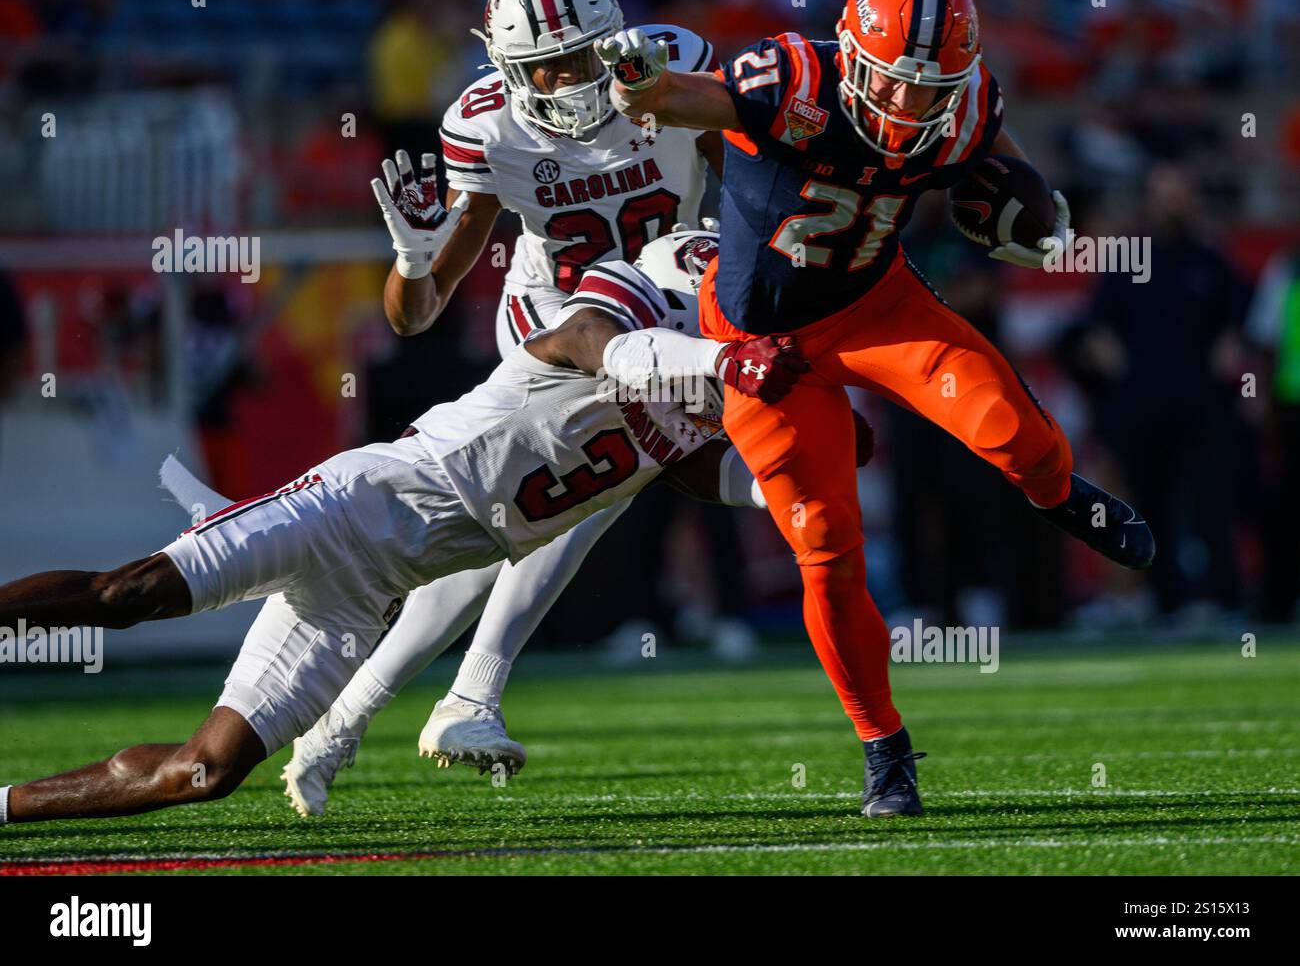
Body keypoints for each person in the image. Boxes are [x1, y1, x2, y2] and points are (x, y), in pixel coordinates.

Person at [595, 0, 1155, 817]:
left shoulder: (961, 106)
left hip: (874, 304)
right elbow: (676, 98)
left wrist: (1030, 215)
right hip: (759, 337)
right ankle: (884, 748)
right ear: (854, 55)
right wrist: (637, 78)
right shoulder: (793, 79)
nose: (907, 105)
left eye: (930, 90)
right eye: (891, 83)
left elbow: (1004, 167)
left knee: (1014, 430)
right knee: (825, 546)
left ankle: (1058, 496)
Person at [0, 233, 804, 826]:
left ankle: (6, 806)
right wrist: (716, 363)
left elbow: (702, 468)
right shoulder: (609, 315)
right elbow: (586, 341)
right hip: (344, 508)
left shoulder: (700, 393)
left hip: (369, 594)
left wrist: (796, 478)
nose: (728, 327)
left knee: (205, 771)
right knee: (125, 592)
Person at [285, 0, 727, 800]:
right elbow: (414, 314)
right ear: (502, 64)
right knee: (577, 493)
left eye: (582, 54)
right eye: (543, 66)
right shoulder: (486, 124)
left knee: (505, 528)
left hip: (667, 303)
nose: (568, 79)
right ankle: (458, 696)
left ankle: (355, 717)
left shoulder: (671, 63)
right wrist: (412, 261)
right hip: (557, 322)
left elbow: (752, 171)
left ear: (615, 33)